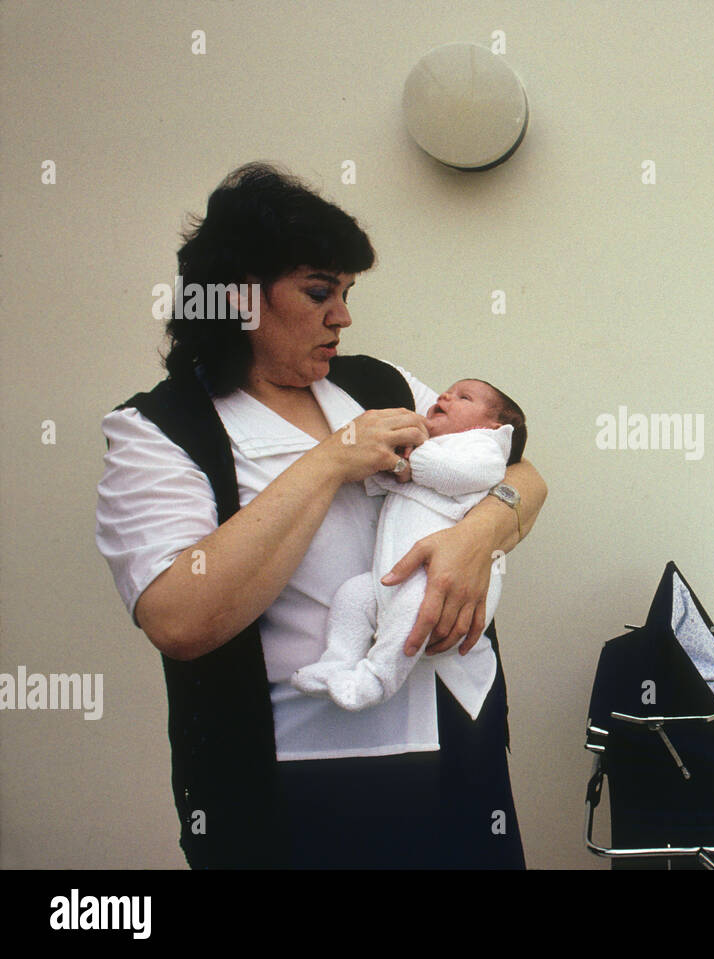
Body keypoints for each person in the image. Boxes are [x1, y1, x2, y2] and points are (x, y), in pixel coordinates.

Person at [94, 163, 546, 868]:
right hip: (301, 775)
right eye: (318, 292)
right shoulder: (162, 430)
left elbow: (522, 473)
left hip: (457, 733)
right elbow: (177, 618)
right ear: (240, 298)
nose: (342, 315)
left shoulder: (377, 383)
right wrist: (331, 460)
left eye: (346, 292)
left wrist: (477, 536)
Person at [292, 380, 526, 713]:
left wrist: (414, 457)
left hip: (445, 591)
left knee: (414, 610)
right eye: (448, 391)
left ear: (493, 425)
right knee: (352, 596)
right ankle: (337, 662)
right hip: (394, 579)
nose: (445, 396)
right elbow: (384, 480)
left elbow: (458, 473)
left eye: (464, 397)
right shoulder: (431, 447)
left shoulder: (484, 448)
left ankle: (377, 678)